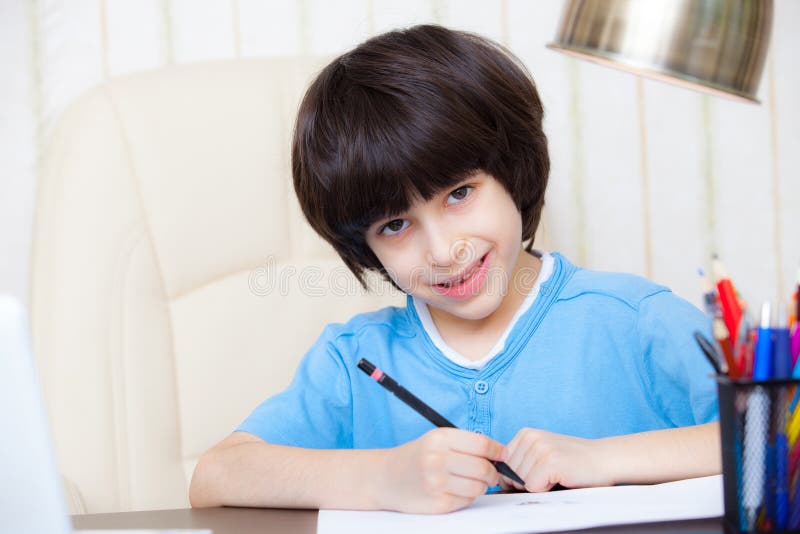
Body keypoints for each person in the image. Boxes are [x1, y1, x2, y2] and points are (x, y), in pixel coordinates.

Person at [189, 24, 720, 514]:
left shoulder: (634, 321)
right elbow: (215, 478)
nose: (443, 251)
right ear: (365, 245)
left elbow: (778, 432)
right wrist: (383, 477)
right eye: (395, 225)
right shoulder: (354, 361)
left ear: (512, 170)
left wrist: (604, 460)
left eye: (459, 193)